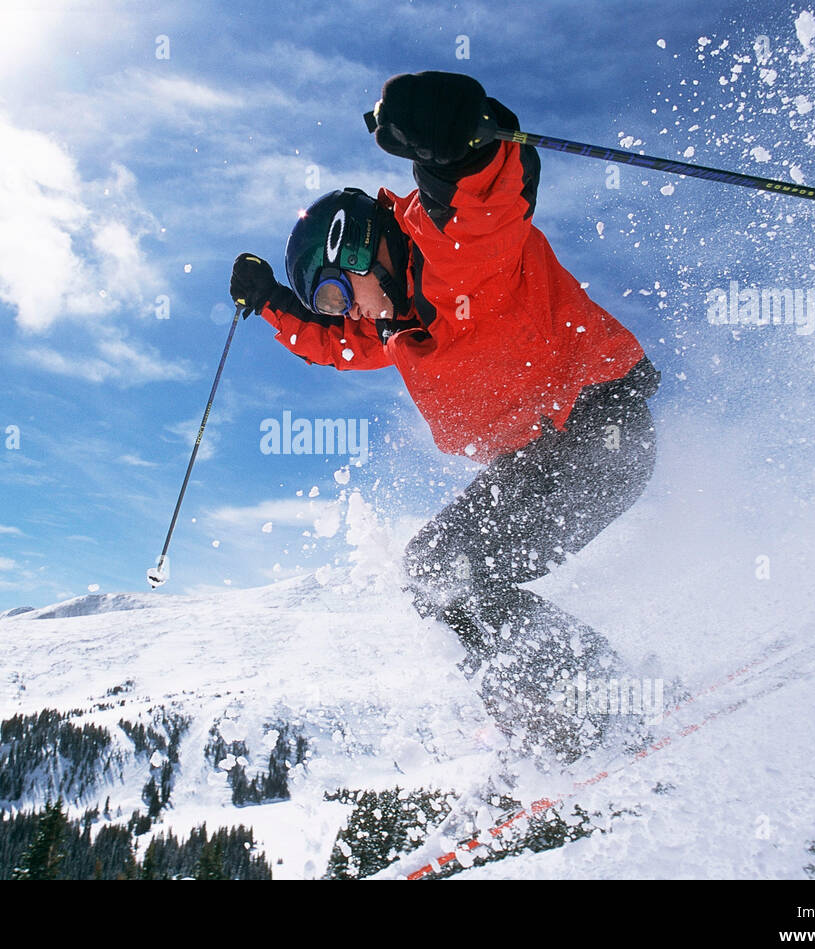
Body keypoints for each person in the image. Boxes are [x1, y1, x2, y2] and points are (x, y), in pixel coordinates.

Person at [229, 72, 660, 762]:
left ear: (362, 247)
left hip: (598, 431)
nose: (345, 313)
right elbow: (332, 345)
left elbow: (488, 195)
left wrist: (452, 142)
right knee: (433, 573)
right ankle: (560, 720)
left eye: (338, 291)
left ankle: (589, 712)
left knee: (440, 569)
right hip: (543, 459)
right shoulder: (395, 326)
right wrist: (276, 303)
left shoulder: (450, 251)